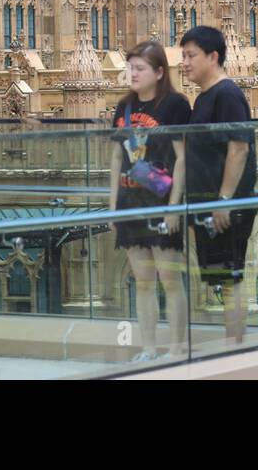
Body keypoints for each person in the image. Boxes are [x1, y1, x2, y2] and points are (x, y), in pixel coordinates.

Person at [108, 41, 191, 361]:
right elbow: (116, 159)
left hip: (160, 201)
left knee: (170, 279)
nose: (133, 74)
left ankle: (177, 347)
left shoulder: (175, 106)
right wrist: (113, 206)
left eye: (140, 68)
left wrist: (174, 206)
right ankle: (147, 347)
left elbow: (182, 158)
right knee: (142, 280)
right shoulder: (124, 107)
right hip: (131, 201)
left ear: (159, 72)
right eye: (130, 67)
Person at [178, 26, 256, 346]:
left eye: (190, 55)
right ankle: (232, 344)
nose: (184, 62)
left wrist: (223, 200)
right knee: (221, 277)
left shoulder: (227, 94)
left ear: (213, 57)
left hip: (225, 206)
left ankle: (234, 346)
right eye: (183, 55)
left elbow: (239, 147)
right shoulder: (205, 97)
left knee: (229, 278)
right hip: (207, 202)